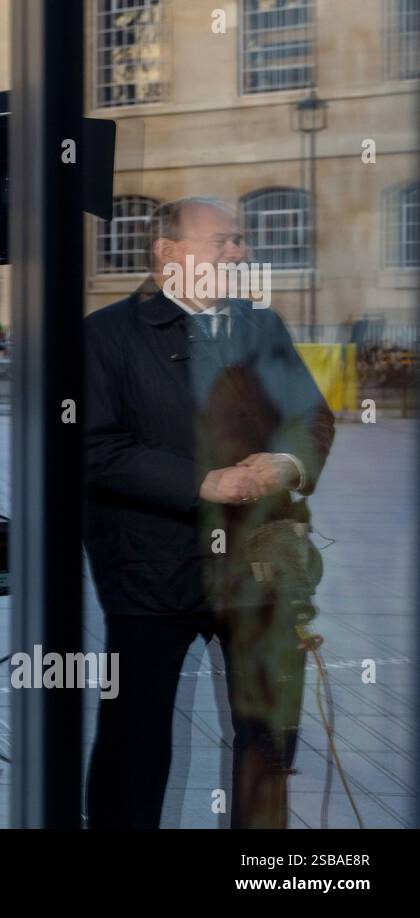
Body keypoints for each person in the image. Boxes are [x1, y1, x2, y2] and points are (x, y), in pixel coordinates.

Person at [82, 196, 335, 829]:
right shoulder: (104, 336)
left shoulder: (262, 326)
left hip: (260, 568)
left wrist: (287, 465)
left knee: (269, 740)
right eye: (223, 241)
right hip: (150, 567)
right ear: (167, 253)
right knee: (134, 745)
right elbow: (95, 448)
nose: (240, 252)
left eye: (241, 241)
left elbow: (312, 418)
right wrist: (205, 482)